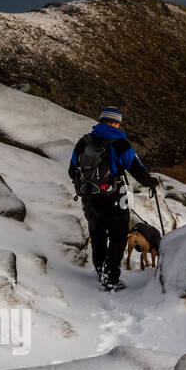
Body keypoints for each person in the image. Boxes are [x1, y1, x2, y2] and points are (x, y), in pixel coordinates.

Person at [68, 106, 159, 291]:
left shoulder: (84, 142)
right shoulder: (120, 143)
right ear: (116, 123)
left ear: (100, 120)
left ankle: (101, 270)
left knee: (97, 234)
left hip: (90, 198)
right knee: (117, 237)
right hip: (116, 197)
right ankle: (111, 279)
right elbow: (136, 168)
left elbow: (72, 170)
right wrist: (151, 182)